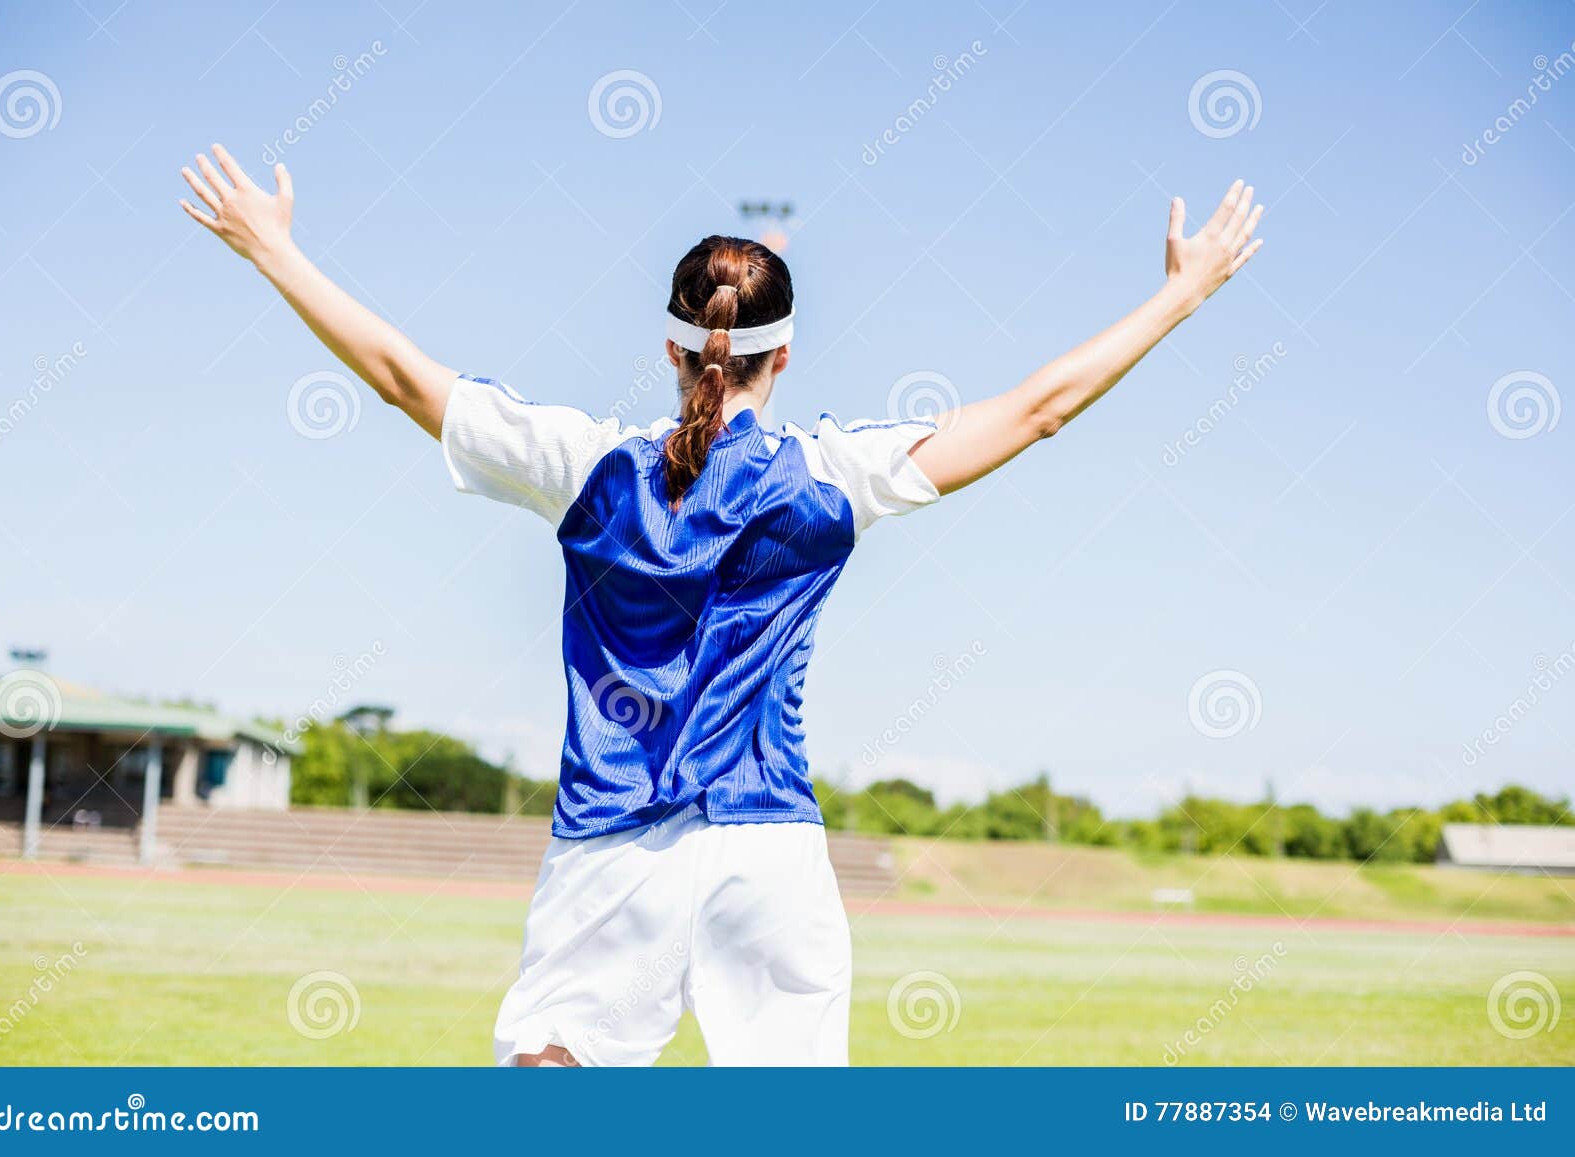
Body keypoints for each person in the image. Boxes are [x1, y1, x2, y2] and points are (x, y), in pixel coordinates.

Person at [180, 145, 1263, 1066]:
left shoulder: (586, 465)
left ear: (671, 348)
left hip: (610, 847)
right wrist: (1183, 293)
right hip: (769, 853)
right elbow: (1036, 411)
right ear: (783, 353)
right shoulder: (833, 475)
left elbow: (399, 375)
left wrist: (270, 246)